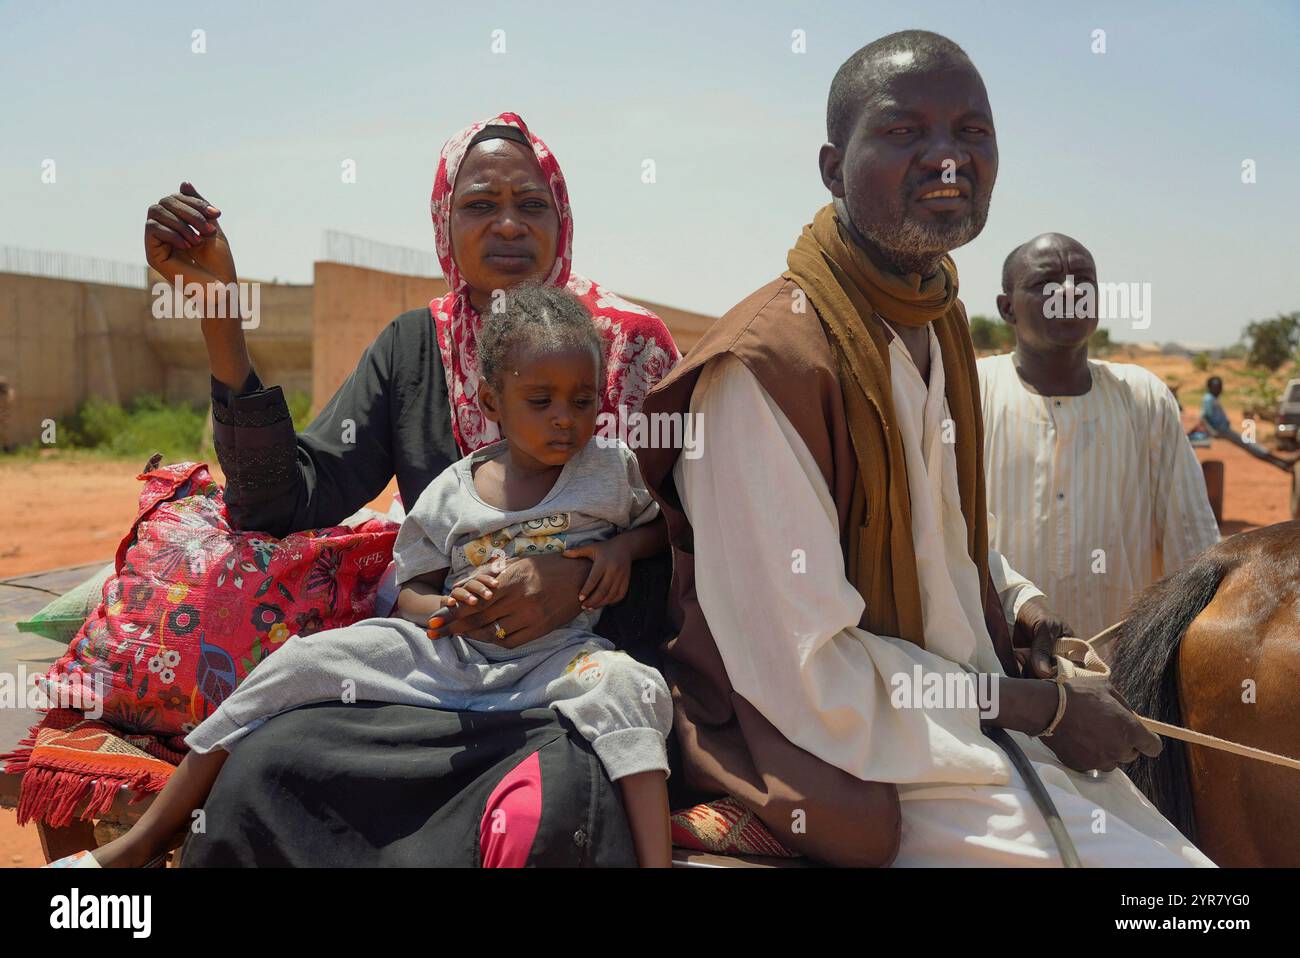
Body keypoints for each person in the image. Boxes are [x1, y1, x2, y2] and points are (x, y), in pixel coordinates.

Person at [636, 31, 1212, 866]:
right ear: (833, 167)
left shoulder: (932, 317)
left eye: (971, 133)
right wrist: (1037, 712)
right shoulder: (764, 372)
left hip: (962, 710)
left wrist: (1019, 607)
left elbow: (940, 544)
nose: (949, 161)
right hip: (843, 745)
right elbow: (810, 674)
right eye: (907, 133)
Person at [139, 113, 681, 867]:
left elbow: (690, 533)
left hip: (569, 690)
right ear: (443, 223)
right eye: (480, 205)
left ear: (563, 218)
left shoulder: (625, 345)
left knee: (548, 817)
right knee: (270, 770)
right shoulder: (412, 349)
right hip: (438, 681)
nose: (509, 226)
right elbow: (282, 504)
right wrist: (222, 323)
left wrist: (578, 577)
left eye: (532, 204)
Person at [49, 285, 674, 869]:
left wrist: (618, 551)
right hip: (448, 659)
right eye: (541, 401)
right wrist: (446, 604)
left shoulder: (611, 470)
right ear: (491, 402)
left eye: (583, 399)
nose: (565, 418)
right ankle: (150, 836)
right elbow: (402, 590)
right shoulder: (454, 489)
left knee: (633, 689)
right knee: (299, 663)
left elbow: (667, 532)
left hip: (555, 661)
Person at [978, 233, 1221, 640]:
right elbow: (946, 537)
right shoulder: (970, 392)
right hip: (1000, 667)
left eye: (1084, 281)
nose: (1070, 292)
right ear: (1007, 308)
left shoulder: (1144, 396)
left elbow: (1192, 544)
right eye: (1047, 284)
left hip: (1120, 674)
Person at [1188, 376, 1294, 469]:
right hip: (1221, 430)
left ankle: (1281, 462)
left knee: (1249, 444)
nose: (1219, 389)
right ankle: (1281, 462)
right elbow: (1204, 417)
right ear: (1210, 387)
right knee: (1249, 444)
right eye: (1216, 387)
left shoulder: (1212, 398)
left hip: (1223, 429)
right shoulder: (1208, 399)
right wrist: (1212, 431)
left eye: (1220, 387)